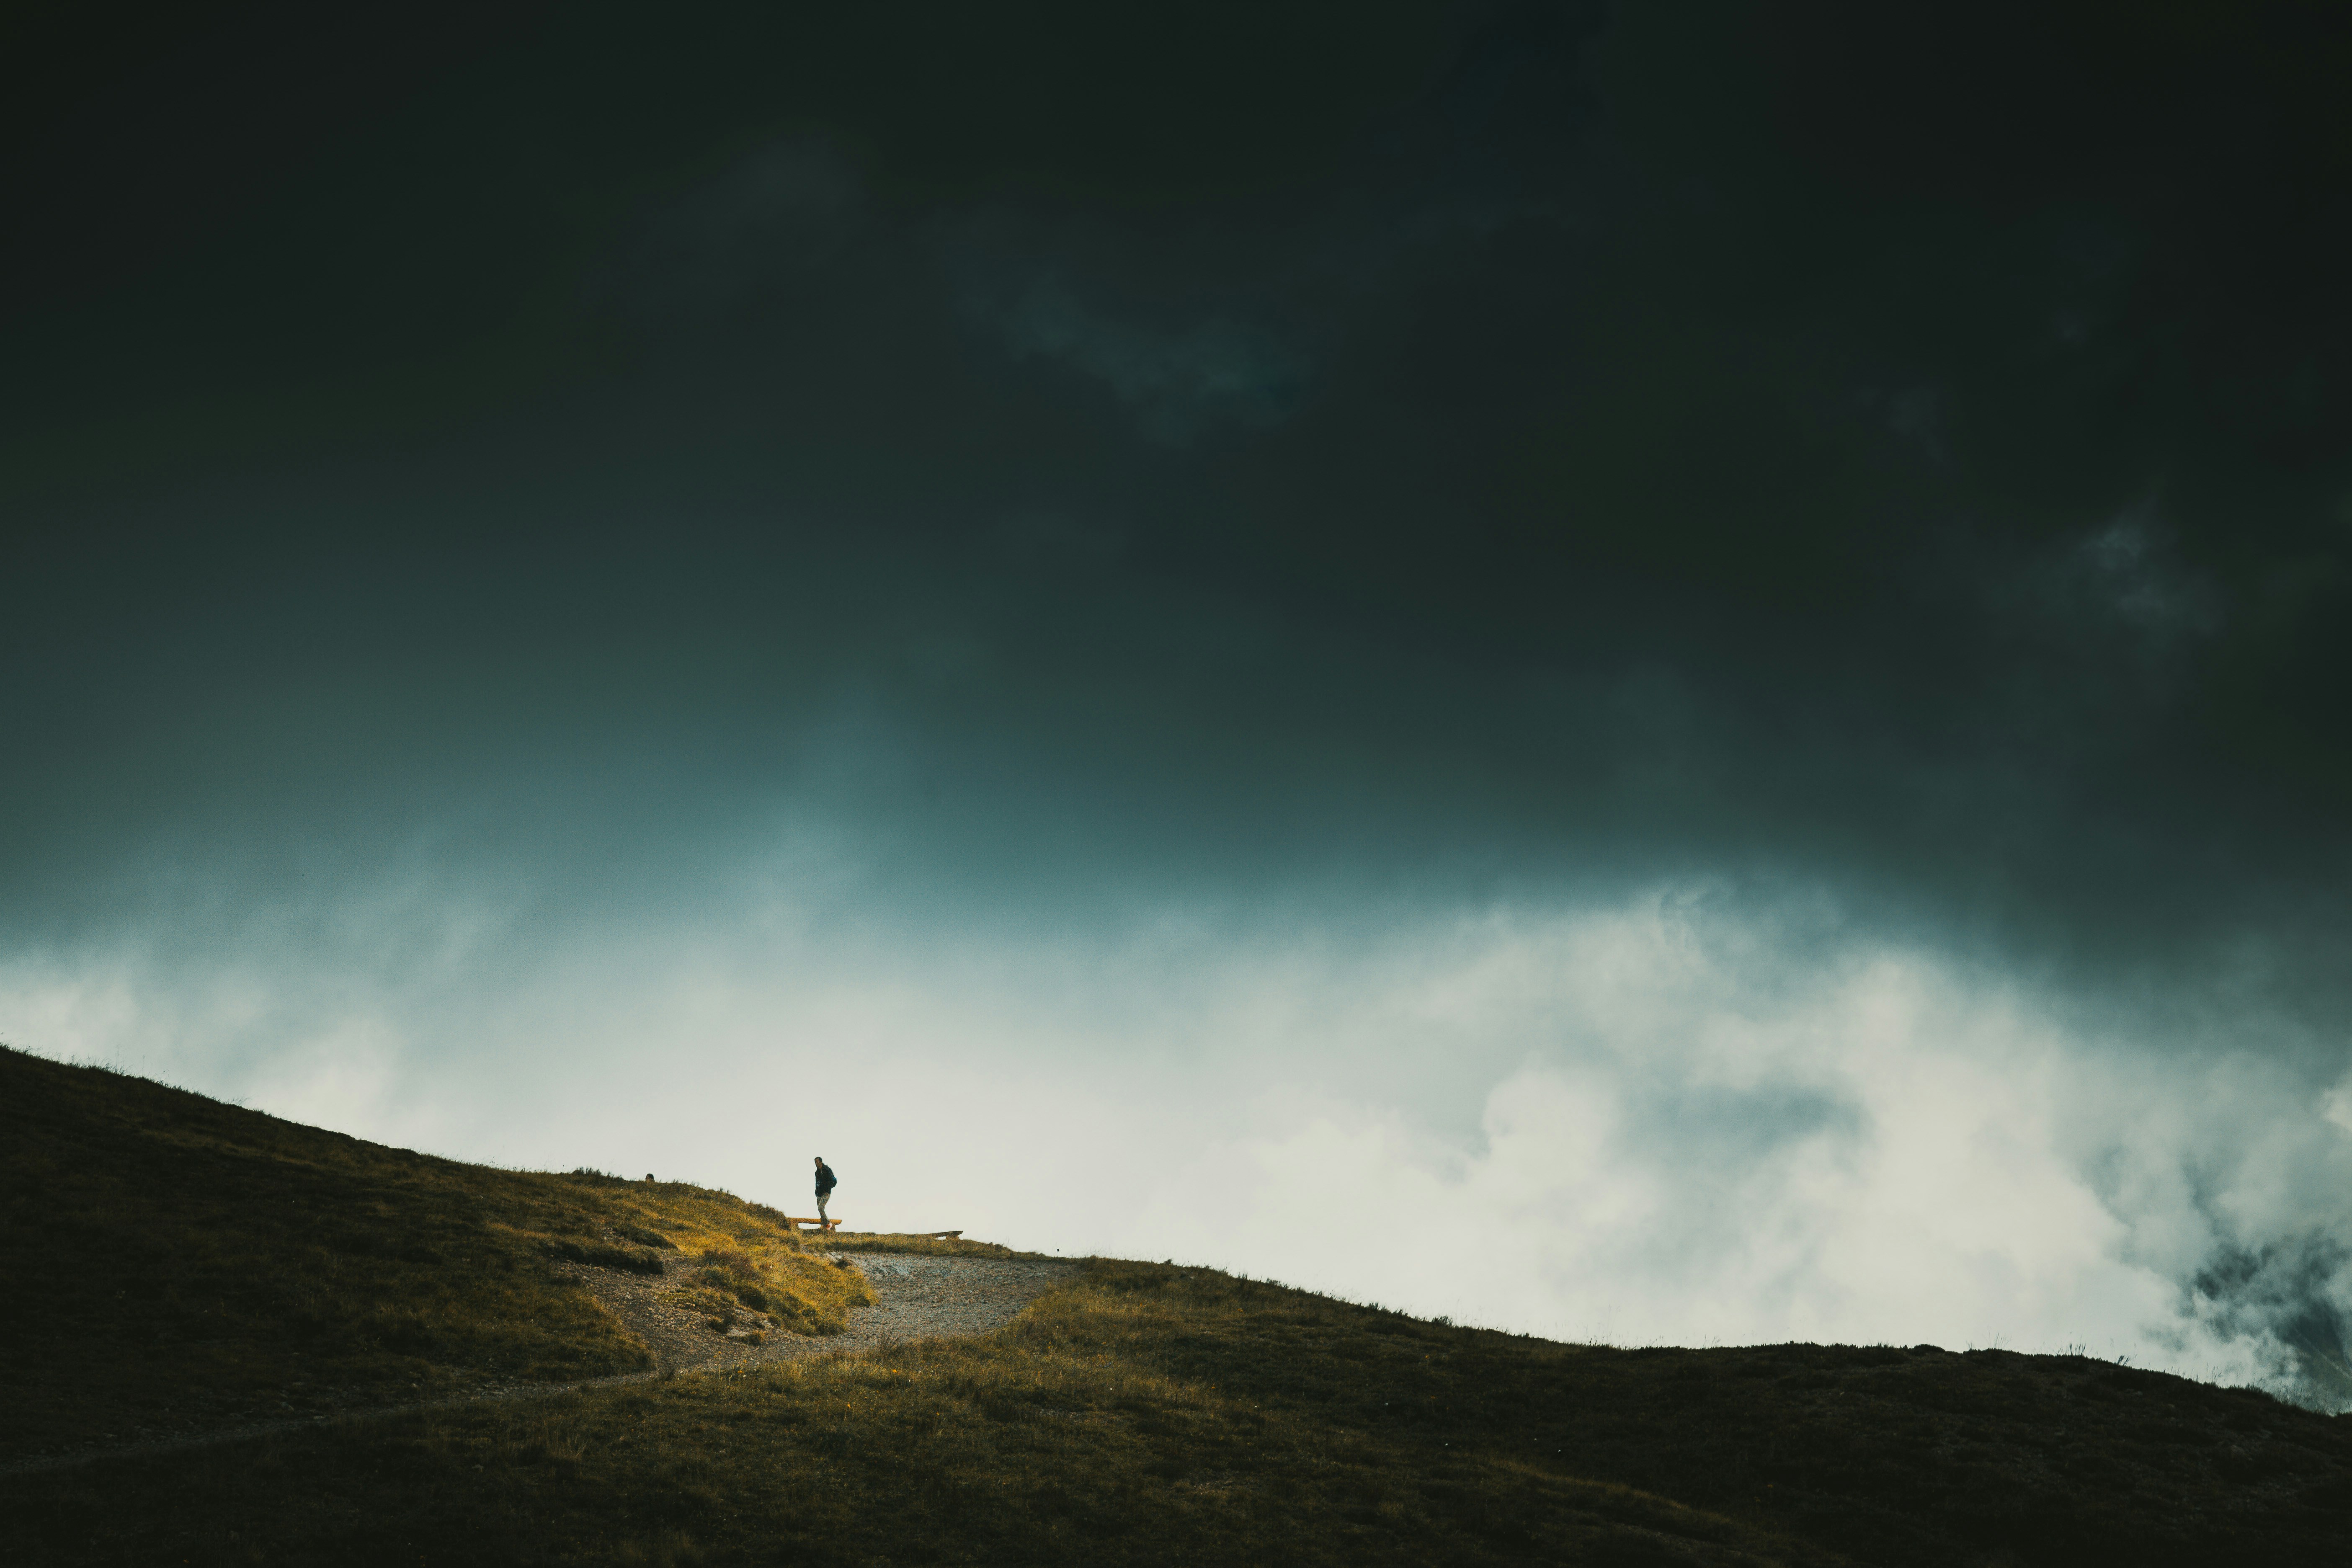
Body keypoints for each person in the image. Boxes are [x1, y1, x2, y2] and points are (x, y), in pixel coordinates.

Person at [813, 1155, 836, 1228]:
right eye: (815, 1163)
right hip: (820, 1193)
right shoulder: (817, 1173)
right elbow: (817, 1183)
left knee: (820, 1208)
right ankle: (824, 1226)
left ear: (821, 1162)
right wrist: (817, 1192)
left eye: (817, 1162)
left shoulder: (827, 1170)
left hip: (826, 1193)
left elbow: (834, 1180)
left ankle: (828, 1223)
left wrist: (828, 1188)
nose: (816, 1164)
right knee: (821, 1210)